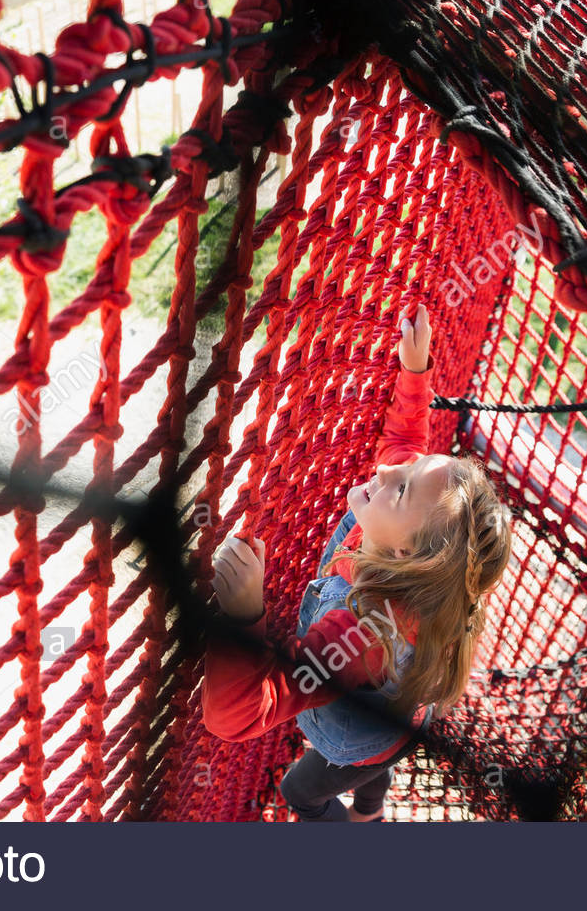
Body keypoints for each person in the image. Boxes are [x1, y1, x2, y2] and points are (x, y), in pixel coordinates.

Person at [202, 302, 514, 821]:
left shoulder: (360, 638)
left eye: (401, 487)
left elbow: (234, 716)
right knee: (384, 754)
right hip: (405, 716)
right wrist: (416, 373)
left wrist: (241, 617)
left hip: (358, 739)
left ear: (404, 553)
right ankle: (372, 809)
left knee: (302, 794)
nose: (385, 473)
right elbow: (404, 450)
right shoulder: (414, 546)